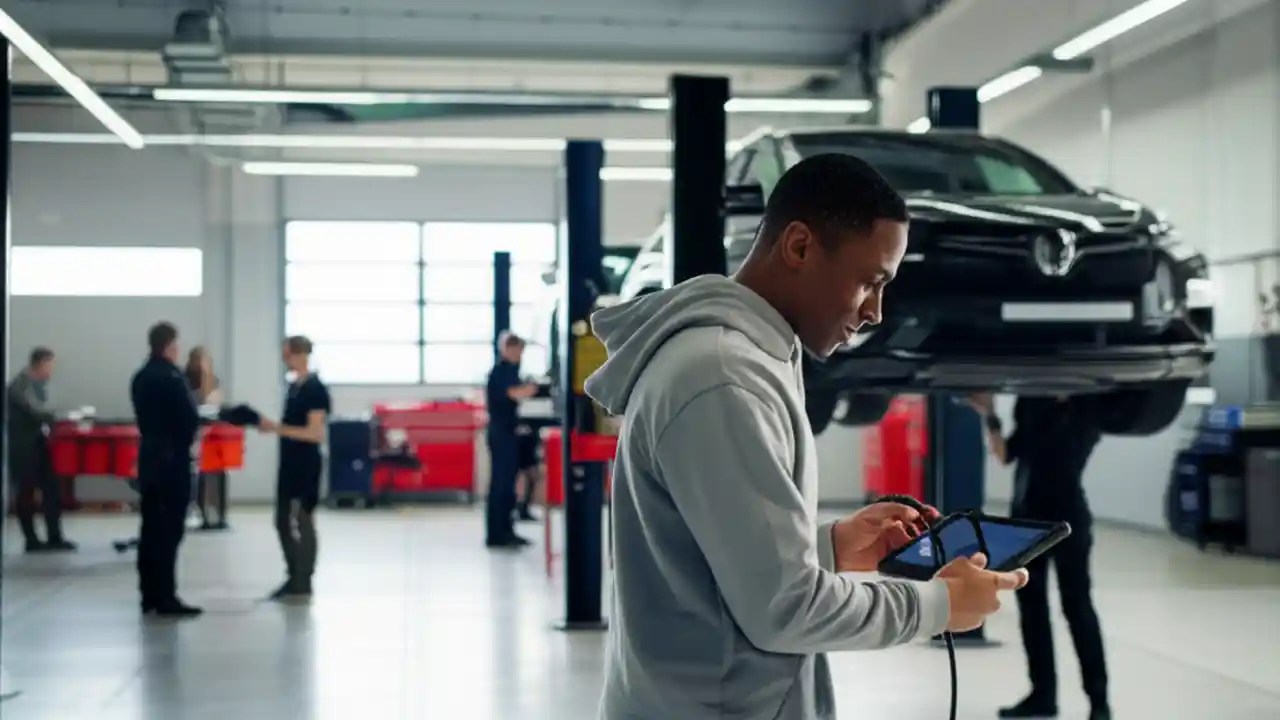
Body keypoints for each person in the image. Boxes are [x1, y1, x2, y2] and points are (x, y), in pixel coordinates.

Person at [582, 153, 1028, 720]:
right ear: (798, 247)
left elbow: (714, 565)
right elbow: (783, 608)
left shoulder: (747, 357)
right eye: (870, 282)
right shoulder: (722, 376)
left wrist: (831, 547)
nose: (875, 312)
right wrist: (939, 604)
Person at [969, 393, 1111, 720]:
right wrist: (989, 415)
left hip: (1068, 520)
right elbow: (1006, 454)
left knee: (1077, 607)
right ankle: (1042, 696)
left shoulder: (1087, 406)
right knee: (1032, 610)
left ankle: (1099, 702)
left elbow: (1076, 445)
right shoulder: (1030, 401)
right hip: (1026, 521)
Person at [130, 322, 201, 617]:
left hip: (148, 458)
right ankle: (166, 597)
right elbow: (188, 420)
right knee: (170, 531)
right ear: (171, 345)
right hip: (172, 462)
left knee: (150, 529)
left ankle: (148, 595)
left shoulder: (141, 376)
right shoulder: (173, 378)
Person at [258, 336, 331, 600]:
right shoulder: (293, 387)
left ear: (299, 355)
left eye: (286, 355)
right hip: (288, 464)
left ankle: (304, 579)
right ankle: (293, 574)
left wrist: (277, 428)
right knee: (281, 521)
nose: (283, 359)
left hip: (306, 464)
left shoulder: (315, 389)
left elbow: (315, 433)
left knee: (303, 520)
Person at [6, 347, 75, 552]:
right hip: (23, 447)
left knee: (52, 489)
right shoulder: (20, 385)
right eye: (50, 365)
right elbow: (36, 410)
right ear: (41, 364)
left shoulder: (39, 385)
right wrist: (63, 417)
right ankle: (31, 540)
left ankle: (55, 537)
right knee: (26, 492)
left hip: (40, 444)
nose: (51, 371)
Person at [485, 332, 541, 548]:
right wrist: (533, 389)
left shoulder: (514, 371)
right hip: (501, 435)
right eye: (513, 349)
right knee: (500, 486)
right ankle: (496, 535)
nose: (517, 353)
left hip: (510, 434)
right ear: (505, 349)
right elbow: (515, 393)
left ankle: (507, 530)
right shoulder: (501, 371)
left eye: (520, 349)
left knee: (509, 486)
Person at [185, 346, 224, 528]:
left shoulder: (213, 381)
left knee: (215, 472)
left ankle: (214, 512)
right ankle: (192, 507)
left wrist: (207, 379)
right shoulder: (184, 380)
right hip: (190, 432)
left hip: (210, 433)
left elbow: (213, 403)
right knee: (193, 470)